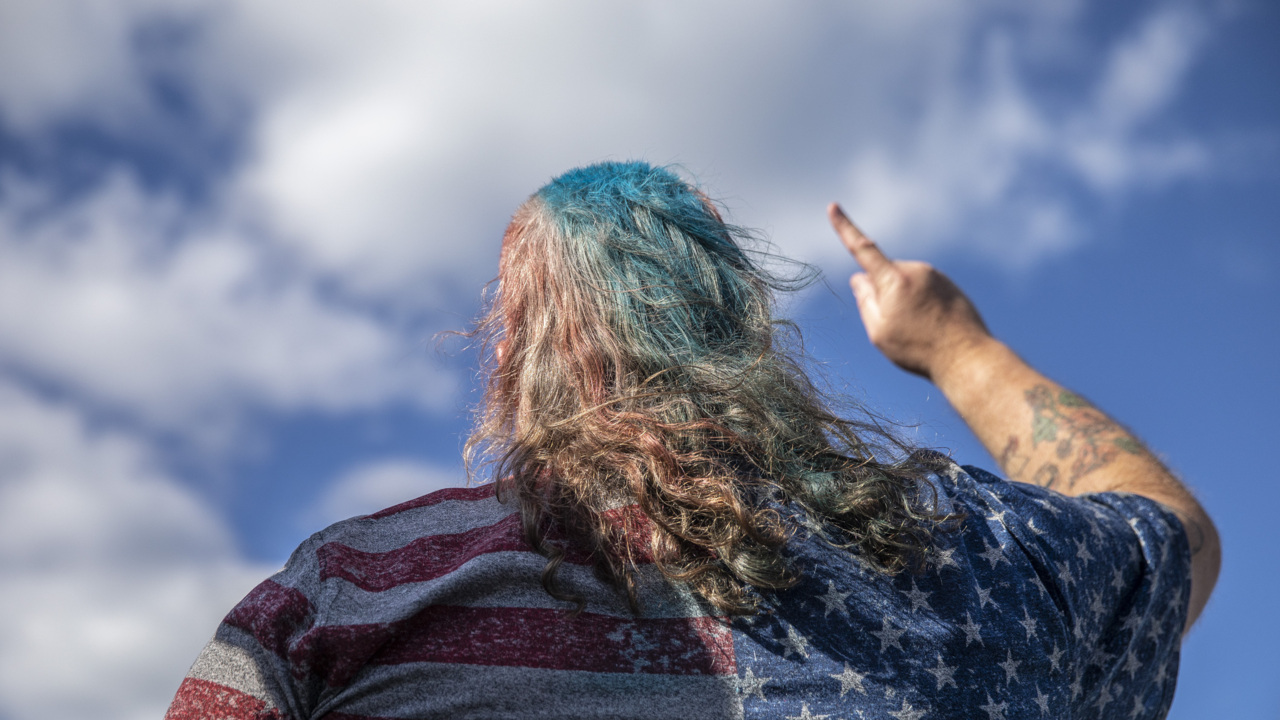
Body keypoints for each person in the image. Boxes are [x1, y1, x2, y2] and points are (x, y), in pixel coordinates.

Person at [165, 161, 1219, 719]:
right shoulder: (982, 553)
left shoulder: (354, 588)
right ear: (742, 319)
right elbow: (1171, 533)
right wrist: (954, 346)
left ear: (513, 347)